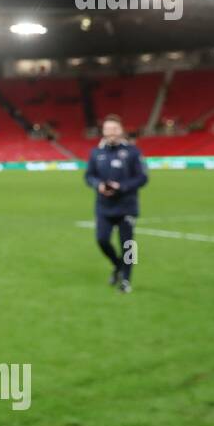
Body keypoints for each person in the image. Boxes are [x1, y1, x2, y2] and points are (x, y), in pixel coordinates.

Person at [84, 114, 148, 293]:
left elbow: (143, 177)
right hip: (104, 207)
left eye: (114, 129)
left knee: (128, 245)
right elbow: (89, 176)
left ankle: (126, 280)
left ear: (121, 130)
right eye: (108, 129)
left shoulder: (133, 152)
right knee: (102, 240)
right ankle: (118, 264)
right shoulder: (96, 153)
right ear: (103, 131)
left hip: (127, 206)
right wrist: (99, 185)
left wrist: (122, 186)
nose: (111, 132)